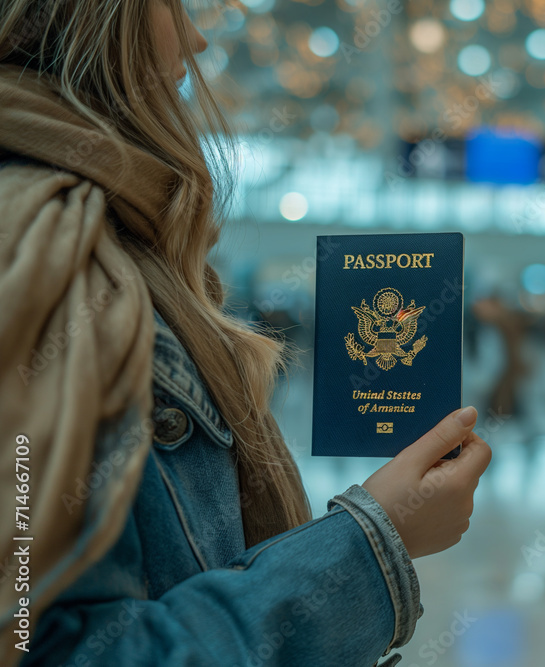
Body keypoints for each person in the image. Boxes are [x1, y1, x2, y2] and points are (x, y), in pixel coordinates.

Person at [0, 2, 491, 665]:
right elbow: (53, 649)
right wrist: (375, 538)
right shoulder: (47, 248)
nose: (198, 40)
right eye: (171, 7)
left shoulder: (104, 239)